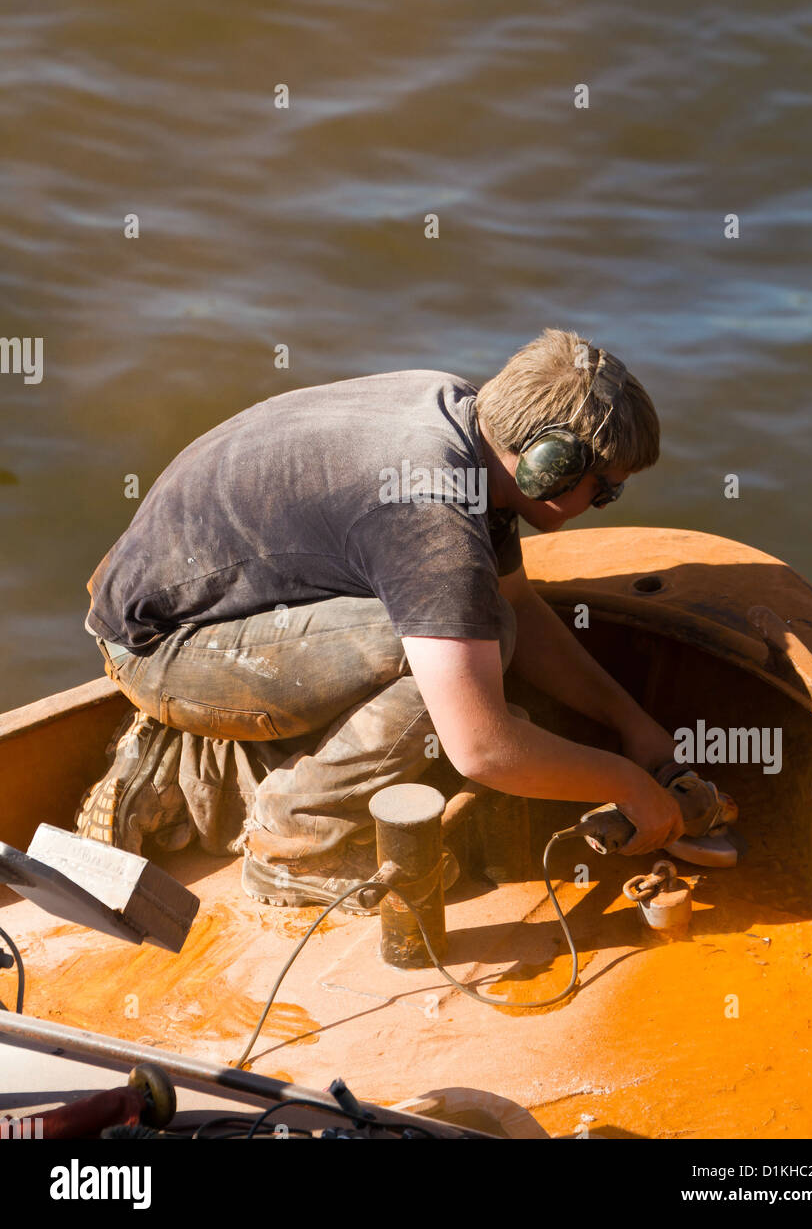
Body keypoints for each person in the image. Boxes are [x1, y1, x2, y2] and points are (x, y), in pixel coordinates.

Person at [77, 329, 687, 911]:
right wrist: (628, 785)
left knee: (486, 624)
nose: (603, 506)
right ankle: (294, 847)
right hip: (160, 646)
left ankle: (196, 763)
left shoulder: (461, 419)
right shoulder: (431, 513)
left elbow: (520, 604)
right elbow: (481, 749)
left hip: (201, 605)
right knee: (466, 646)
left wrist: (628, 724)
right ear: (549, 467)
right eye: (604, 491)